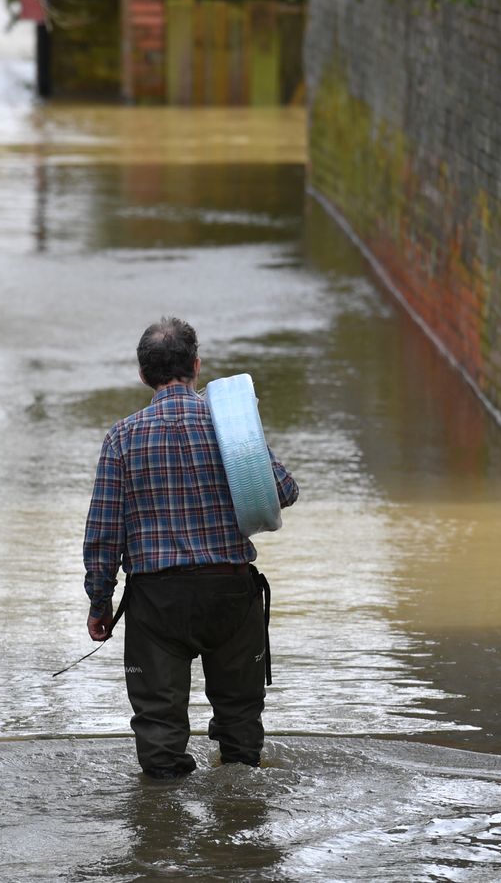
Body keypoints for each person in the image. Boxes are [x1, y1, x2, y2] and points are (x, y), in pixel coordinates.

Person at [82, 317, 300, 780]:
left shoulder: (122, 438)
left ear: (143, 375)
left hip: (157, 603)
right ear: (197, 366)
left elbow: (103, 533)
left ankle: (161, 836)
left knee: (159, 736)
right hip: (230, 594)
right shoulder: (230, 427)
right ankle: (240, 832)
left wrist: (100, 603)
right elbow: (284, 490)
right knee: (241, 732)